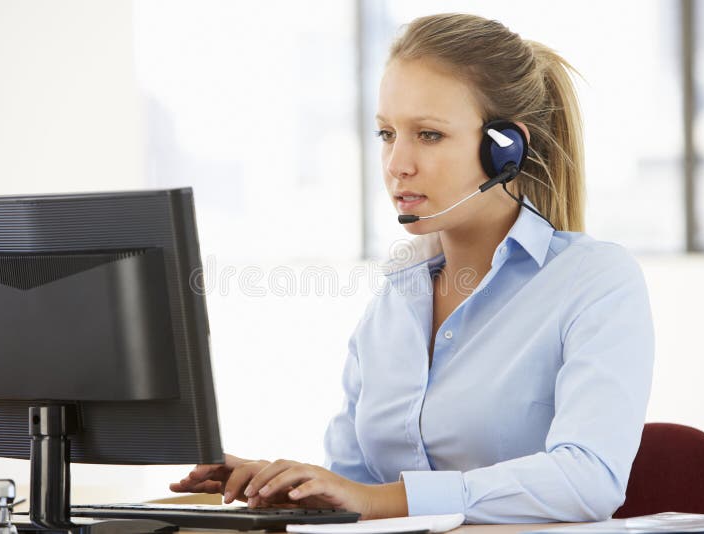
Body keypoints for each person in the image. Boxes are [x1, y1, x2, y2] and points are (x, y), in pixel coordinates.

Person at [170, 13, 654, 523]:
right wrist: (291, 487)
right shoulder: (393, 301)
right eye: (385, 134)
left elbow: (589, 478)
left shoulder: (592, 280)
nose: (397, 163)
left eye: (428, 135)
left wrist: (383, 500)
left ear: (504, 149)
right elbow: (352, 482)